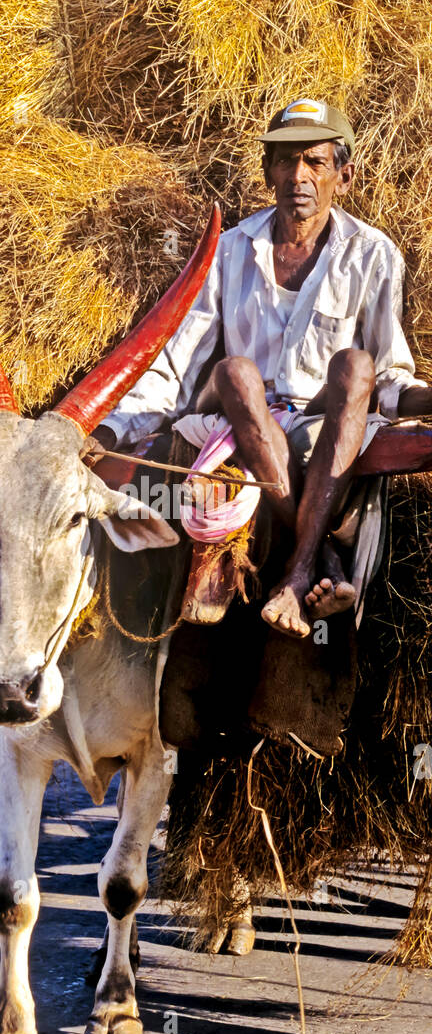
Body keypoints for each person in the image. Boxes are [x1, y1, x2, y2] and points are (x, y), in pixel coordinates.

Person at [92, 97, 432, 638]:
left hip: (328, 423)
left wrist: (424, 401)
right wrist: (109, 430)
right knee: (236, 372)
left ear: (343, 177)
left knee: (354, 364)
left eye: (315, 162)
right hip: (238, 419)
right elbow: (176, 368)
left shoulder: (374, 255)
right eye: (286, 160)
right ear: (268, 170)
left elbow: (387, 375)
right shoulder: (229, 250)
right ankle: (315, 563)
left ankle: (294, 572)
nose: (298, 175)